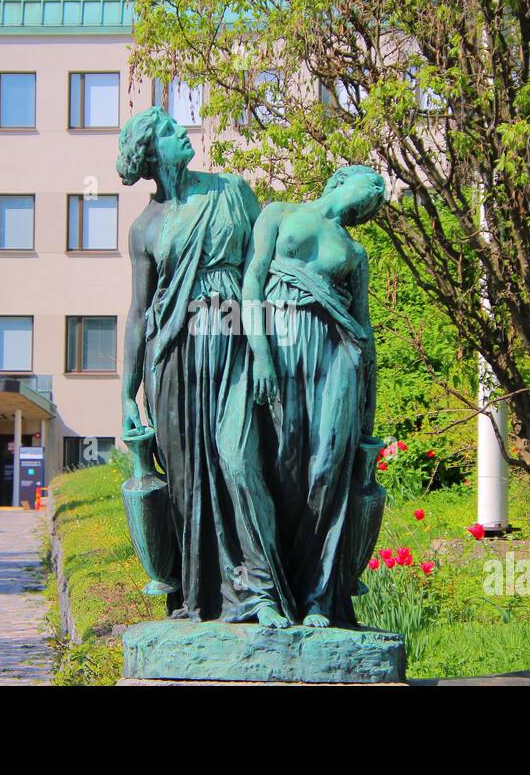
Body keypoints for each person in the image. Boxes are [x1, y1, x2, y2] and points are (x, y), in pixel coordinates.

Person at [118, 106, 296, 628]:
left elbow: (267, 267)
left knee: (239, 462)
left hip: (236, 343)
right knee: (188, 479)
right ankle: (200, 598)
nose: (183, 133)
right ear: (153, 154)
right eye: (172, 132)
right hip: (174, 361)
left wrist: (267, 348)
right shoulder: (145, 228)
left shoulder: (232, 191)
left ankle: (263, 592)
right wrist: (127, 392)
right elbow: (137, 312)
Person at [242, 165, 387, 627]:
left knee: (329, 466)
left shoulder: (354, 251)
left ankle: (320, 597)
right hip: (281, 342)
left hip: (335, 354)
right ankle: (274, 588)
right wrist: (260, 351)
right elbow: (251, 283)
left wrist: (369, 406)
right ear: (342, 179)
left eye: (375, 203)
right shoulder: (280, 212)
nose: (371, 201)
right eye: (370, 189)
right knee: (281, 463)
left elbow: (363, 330)